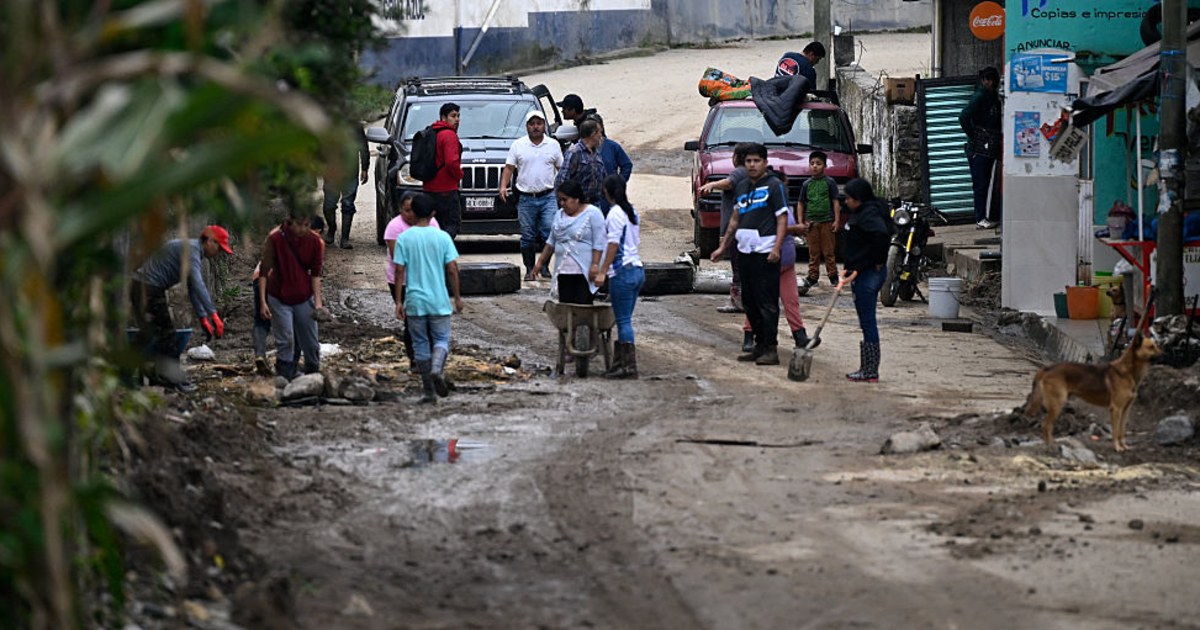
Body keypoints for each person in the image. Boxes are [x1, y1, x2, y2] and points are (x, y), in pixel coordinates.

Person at [709, 143, 789, 366]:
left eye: (756, 161)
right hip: (744, 250)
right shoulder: (742, 186)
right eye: (749, 161)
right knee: (749, 301)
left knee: (767, 302)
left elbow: (782, 219)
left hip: (765, 252)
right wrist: (723, 246)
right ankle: (759, 344)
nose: (752, 165)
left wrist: (776, 248)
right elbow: (735, 218)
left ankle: (770, 348)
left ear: (765, 162)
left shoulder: (774, 186)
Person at [130, 225, 233, 392]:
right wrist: (213, 314)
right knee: (168, 335)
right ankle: (171, 379)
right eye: (219, 248)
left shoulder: (193, 251)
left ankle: (131, 373)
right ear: (210, 241)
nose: (218, 253)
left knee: (147, 333)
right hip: (148, 288)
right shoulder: (192, 250)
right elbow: (199, 284)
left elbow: (193, 287)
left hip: (143, 286)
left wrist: (202, 318)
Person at [393, 193, 464, 403]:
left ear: (413, 212)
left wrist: (399, 301)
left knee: (420, 345)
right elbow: (452, 268)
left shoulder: (404, 238)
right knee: (441, 340)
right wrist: (458, 297)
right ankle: (436, 369)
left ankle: (429, 392)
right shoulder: (442, 237)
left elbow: (399, 271)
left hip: (415, 301)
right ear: (433, 213)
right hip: (439, 301)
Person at [836, 178, 892, 383]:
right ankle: (867, 368)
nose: (846, 202)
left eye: (849, 198)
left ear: (858, 199)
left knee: (868, 321)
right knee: (865, 320)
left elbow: (881, 235)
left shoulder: (869, 214)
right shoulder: (861, 212)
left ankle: (870, 370)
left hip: (868, 274)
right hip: (860, 272)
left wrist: (878, 261)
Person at [259, 209, 326, 380]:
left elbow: (316, 274)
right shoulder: (275, 239)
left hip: (304, 296)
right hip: (279, 296)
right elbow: (264, 272)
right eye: (299, 225)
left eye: (306, 225)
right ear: (289, 222)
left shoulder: (314, 242)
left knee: (311, 342)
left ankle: (313, 373)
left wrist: (318, 304)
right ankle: (285, 375)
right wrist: (263, 301)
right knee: (286, 339)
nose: (302, 229)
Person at [500, 110, 563, 282]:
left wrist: (565, 191)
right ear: (527, 126)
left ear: (544, 125)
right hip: (526, 198)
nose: (536, 127)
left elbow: (561, 169)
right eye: (532, 124)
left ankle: (544, 266)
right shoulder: (518, 145)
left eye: (539, 123)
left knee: (549, 232)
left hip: (548, 196)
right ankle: (529, 269)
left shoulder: (553, 145)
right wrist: (503, 186)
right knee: (527, 236)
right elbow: (509, 167)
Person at [593, 175, 645, 379]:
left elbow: (613, 244)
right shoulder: (631, 211)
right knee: (625, 319)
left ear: (607, 191)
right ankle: (620, 362)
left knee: (623, 321)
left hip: (622, 271)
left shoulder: (614, 213)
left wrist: (603, 270)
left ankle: (628, 366)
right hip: (636, 270)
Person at [385, 192, 440, 365]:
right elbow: (398, 259)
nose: (410, 215)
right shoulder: (394, 227)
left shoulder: (431, 224)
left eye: (412, 210)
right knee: (411, 322)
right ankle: (415, 358)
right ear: (400, 210)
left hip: (425, 279)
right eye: (406, 210)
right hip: (402, 282)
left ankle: (428, 356)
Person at [699, 143, 753, 317]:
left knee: (738, 265)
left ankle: (737, 301)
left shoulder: (739, 171)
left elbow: (728, 183)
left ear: (737, 157)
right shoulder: (749, 174)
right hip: (744, 227)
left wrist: (712, 185)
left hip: (737, 229)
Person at [531, 179, 606, 305]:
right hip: (563, 272)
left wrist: (595, 265)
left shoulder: (593, 214)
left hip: (584, 273)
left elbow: (599, 243)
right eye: (560, 200)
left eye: (565, 200)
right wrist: (539, 263)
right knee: (566, 309)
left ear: (576, 199)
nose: (562, 203)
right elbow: (551, 242)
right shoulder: (559, 215)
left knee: (582, 310)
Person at [959, 66, 1002, 229]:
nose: (990, 83)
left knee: (985, 182)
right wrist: (974, 136)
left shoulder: (991, 96)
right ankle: (980, 217)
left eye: (992, 80)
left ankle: (983, 216)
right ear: (984, 80)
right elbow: (963, 116)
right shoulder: (980, 96)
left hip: (988, 145)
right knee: (980, 183)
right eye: (987, 79)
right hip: (978, 148)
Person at [797, 150, 842, 294]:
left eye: (818, 164)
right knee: (813, 252)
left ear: (825, 165)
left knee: (829, 251)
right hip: (811, 223)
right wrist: (801, 222)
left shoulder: (829, 182)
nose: (815, 166)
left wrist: (836, 220)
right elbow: (801, 203)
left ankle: (833, 276)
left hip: (827, 222)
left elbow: (835, 201)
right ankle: (812, 276)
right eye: (812, 164)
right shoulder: (806, 184)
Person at [322, 124, 370, 249]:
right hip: (331, 172)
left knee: (348, 203)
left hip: (350, 172)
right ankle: (332, 228)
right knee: (329, 204)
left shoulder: (355, 125)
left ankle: (345, 238)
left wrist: (365, 167)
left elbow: (363, 146)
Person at [422, 102, 465, 239]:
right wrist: (460, 175)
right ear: (443, 117)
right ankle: (441, 251)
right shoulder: (449, 135)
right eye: (453, 116)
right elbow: (451, 162)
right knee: (451, 225)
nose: (457, 119)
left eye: (458, 116)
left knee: (434, 225)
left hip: (429, 188)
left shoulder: (432, 132)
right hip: (446, 189)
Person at [556, 119, 608, 206]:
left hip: (595, 203)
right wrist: (564, 203)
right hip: (577, 205)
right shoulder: (574, 152)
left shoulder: (596, 152)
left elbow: (602, 176)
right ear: (592, 134)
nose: (600, 136)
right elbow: (562, 180)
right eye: (599, 132)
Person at [596, 120, 633, 214]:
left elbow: (627, 165)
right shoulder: (581, 149)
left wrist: (618, 183)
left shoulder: (612, 146)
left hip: (610, 196)